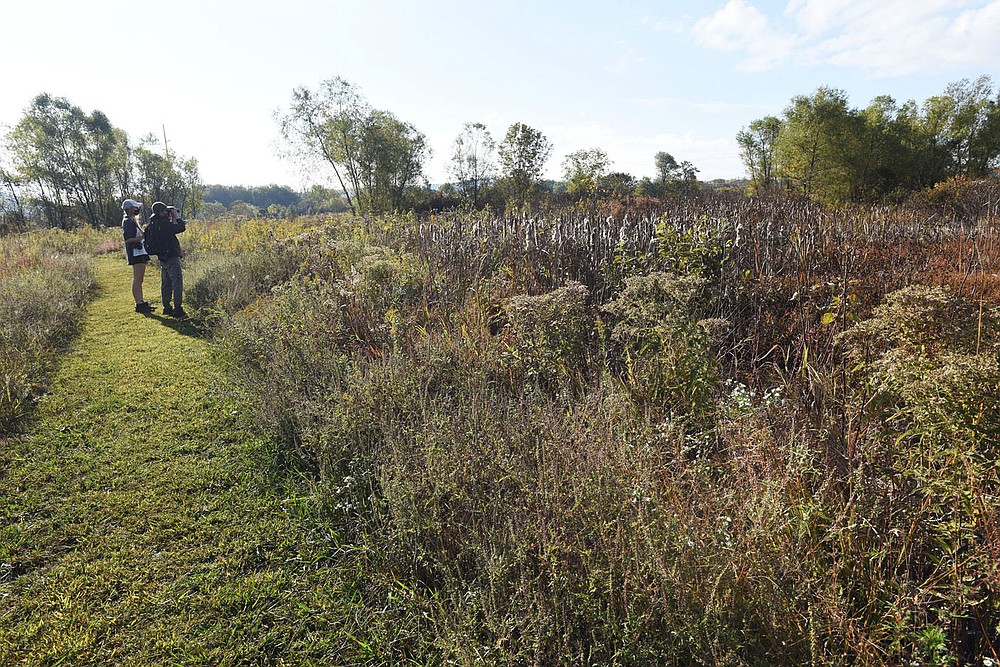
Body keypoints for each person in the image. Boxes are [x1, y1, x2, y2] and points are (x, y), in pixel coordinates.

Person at [149, 201, 187, 318]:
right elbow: (181, 228)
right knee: (177, 283)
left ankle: (167, 307)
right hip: (171, 256)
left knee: (166, 284)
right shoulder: (164, 224)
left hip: (162, 258)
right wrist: (176, 217)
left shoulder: (154, 223)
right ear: (161, 212)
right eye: (166, 211)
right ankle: (178, 309)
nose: (167, 213)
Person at [121, 199, 154, 314]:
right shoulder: (127, 222)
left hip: (140, 252)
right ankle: (139, 303)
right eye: (135, 207)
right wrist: (142, 237)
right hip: (136, 253)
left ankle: (141, 301)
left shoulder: (132, 220)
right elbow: (127, 239)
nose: (137, 209)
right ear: (130, 209)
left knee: (140, 279)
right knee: (137, 279)